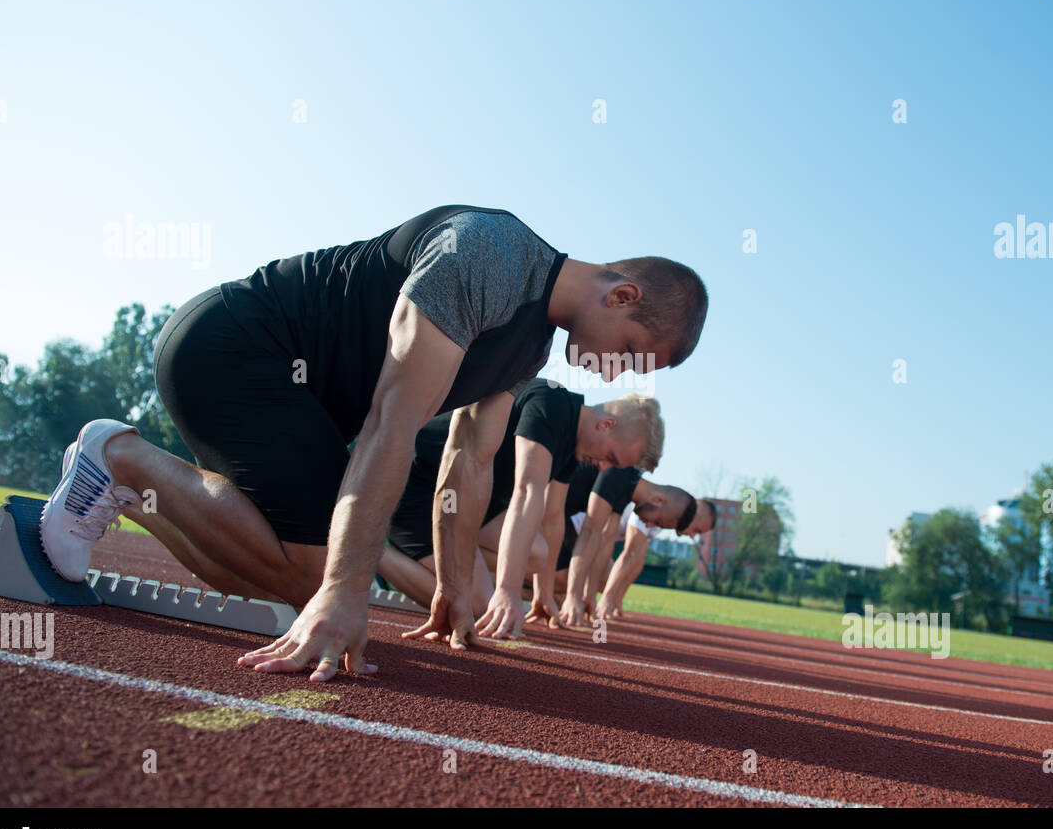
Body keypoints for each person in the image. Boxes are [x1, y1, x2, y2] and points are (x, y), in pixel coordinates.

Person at [38, 205, 707, 680]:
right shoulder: (491, 256)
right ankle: (118, 454)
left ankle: (128, 486)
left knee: (309, 582)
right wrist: (347, 586)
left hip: (297, 405)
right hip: (236, 348)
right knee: (319, 578)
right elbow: (393, 420)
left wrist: (450, 583)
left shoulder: (529, 348)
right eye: (627, 353)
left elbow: (467, 462)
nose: (613, 372)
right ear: (621, 294)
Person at [377, 380, 662, 640]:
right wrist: (507, 589)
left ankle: (450, 562)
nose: (604, 467)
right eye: (611, 458)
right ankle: (370, 546)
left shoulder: (572, 446)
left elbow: (551, 520)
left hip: (469, 501)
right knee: (477, 605)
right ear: (606, 425)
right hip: (425, 486)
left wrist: (543, 594)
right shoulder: (551, 404)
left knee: (537, 554)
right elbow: (526, 492)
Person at [594, 499, 716, 621]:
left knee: (610, 580)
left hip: (594, 543)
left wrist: (617, 599)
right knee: (606, 581)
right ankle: (584, 598)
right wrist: (607, 598)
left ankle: (596, 597)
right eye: (697, 530)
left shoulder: (660, 524)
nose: (693, 536)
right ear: (692, 516)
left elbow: (637, 562)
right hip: (584, 536)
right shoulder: (655, 510)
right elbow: (629, 554)